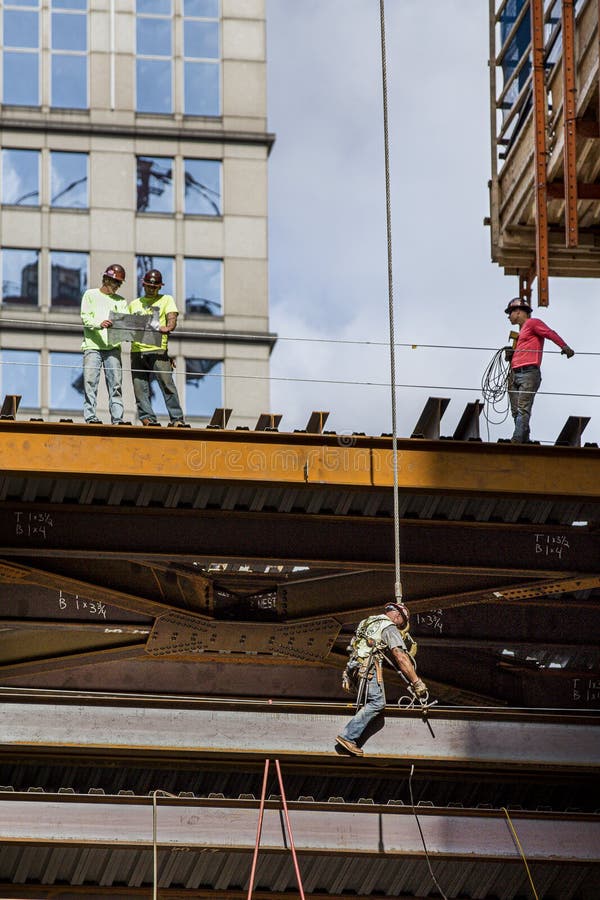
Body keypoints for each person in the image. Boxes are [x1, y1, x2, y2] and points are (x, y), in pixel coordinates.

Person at [336, 602, 427, 756]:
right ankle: (348, 737)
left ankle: (355, 730)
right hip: (368, 669)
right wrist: (416, 682)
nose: (400, 626)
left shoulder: (367, 621)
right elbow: (400, 657)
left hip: (354, 669)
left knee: (369, 702)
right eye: (402, 623)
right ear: (398, 617)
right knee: (377, 703)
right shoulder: (389, 628)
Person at [504, 298, 574, 444]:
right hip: (514, 373)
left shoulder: (533, 323)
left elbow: (549, 333)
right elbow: (523, 351)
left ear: (518, 311)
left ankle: (517, 440)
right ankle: (525, 438)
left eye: (510, 313)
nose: (508, 316)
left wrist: (564, 346)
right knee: (516, 411)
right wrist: (512, 355)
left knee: (523, 409)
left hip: (529, 373)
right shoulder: (521, 332)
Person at [128, 269, 186, 427]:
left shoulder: (166, 299)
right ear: (143, 285)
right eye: (148, 286)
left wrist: (169, 326)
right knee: (140, 387)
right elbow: (127, 325)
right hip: (137, 351)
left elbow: (172, 317)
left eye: (154, 287)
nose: (151, 289)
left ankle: (177, 419)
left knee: (167, 383)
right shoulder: (134, 304)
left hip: (158, 349)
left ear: (160, 287)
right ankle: (147, 418)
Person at [80, 263, 129, 424]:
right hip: (92, 346)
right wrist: (99, 324)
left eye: (119, 283)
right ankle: (90, 417)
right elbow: (85, 318)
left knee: (115, 384)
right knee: (90, 382)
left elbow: (125, 323)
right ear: (106, 279)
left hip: (112, 348)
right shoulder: (90, 295)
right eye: (116, 282)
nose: (117, 286)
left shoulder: (121, 301)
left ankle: (117, 418)